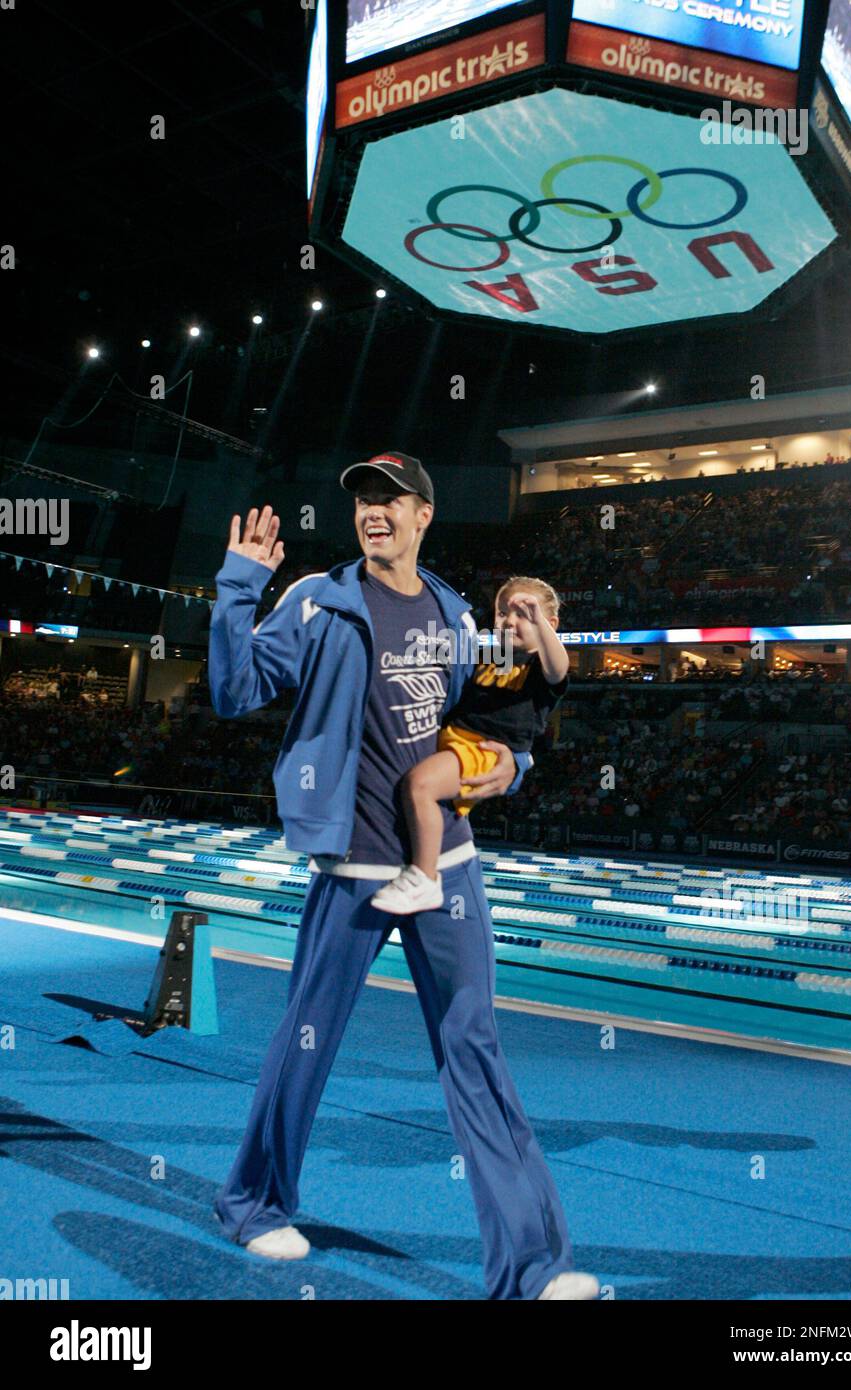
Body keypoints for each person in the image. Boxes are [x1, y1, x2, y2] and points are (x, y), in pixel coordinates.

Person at [208, 450, 597, 1301]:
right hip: (352, 863)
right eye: (364, 500)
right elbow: (235, 691)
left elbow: (496, 729)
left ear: (425, 514)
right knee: (304, 1043)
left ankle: (532, 1267)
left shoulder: (457, 615)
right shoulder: (317, 600)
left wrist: (514, 769)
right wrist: (239, 586)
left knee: (477, 1052)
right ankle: (252, 1200)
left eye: (392, 498)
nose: (375, 511)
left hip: (445, 865)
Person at [371, 577, 569, 913]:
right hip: (450, 737)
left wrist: (542, 627)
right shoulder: (492, 652)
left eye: (524, 614)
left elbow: (558, 668)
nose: (510, 621)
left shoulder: (539, 667)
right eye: (502, 613)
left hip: (484, 750)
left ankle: (424, 877)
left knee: (419, 786)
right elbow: (426, 649)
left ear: (549, 624)